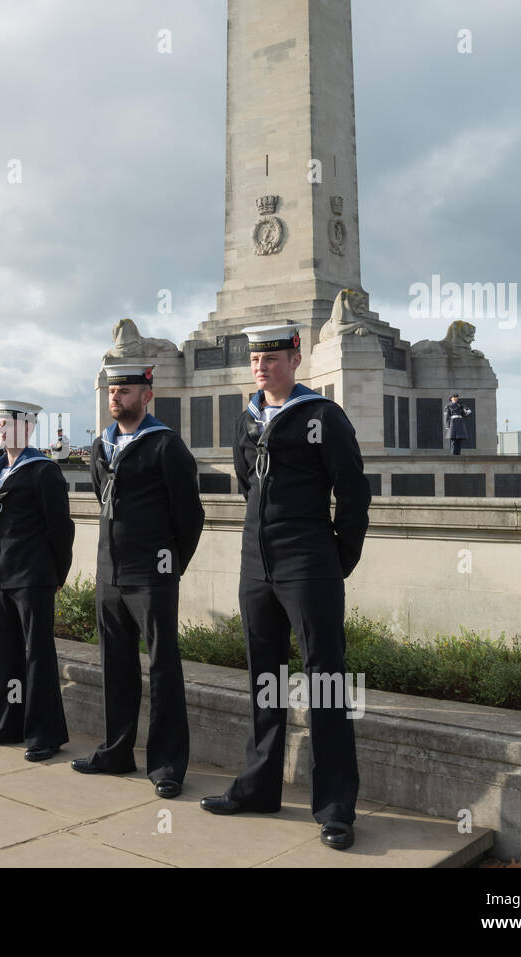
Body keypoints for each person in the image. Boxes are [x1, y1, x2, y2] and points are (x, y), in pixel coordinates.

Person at [201, 322, 371, 852]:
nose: (262, 366)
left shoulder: (323, 416)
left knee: (325, 682)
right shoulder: (247, 417)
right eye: (256, 359)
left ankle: (336, 808)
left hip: (309, 562)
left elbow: (354, 493)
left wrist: (335, 558)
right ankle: (258, 788)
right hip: (257, 567)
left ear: (295, 359)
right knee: (263, 678)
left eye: (272, 358)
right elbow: (246, 480)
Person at [72, 364, 204, 799]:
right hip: (110, 571)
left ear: (146, 396)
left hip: (153, 574)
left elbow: (189, 516)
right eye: (113, 390)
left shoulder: (166, 445)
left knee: (163, 666)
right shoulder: (99, 446)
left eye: (125, 391)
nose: (116, 398)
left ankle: (166, 764)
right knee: (115, 663)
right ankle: (116, 750)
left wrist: (170, 564)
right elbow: (103, 499)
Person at [0, 400, 74, 761]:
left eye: (6, 424)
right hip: (3, 576)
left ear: (27, 428)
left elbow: (61, 527)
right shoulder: (0, 470)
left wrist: (57, 574)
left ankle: (45, 734)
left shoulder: (43, 471)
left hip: (33, 577)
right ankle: (9, 723)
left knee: (38, 657)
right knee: (8, 655)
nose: (0, 430)